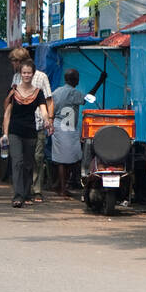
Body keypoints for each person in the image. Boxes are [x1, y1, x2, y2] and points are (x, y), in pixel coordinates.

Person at [2, 61, 50, 207]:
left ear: (33, 74)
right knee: (17, 162)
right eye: (24, 72)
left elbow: (43, 110)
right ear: (20, 74)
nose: (27, 75)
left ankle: (27, 193)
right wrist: (5, 134)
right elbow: (7, 114)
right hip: (14, 132)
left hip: (30, 132)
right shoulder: (13, 91)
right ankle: (17, 196)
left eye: (29, 72)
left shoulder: (38, 92)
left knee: (29, 164)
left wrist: (47, 120)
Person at [49, 68, 84, 197]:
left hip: (59, 126)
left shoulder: (56, 92)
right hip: (67, 127)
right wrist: (99, 82)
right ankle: (63, 188)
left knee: (66, 159)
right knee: (66, 160)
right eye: (77, 78)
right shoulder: (75, 93)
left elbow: (51, 107)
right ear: (74, 80)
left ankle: (60, 186)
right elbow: (87, 99)